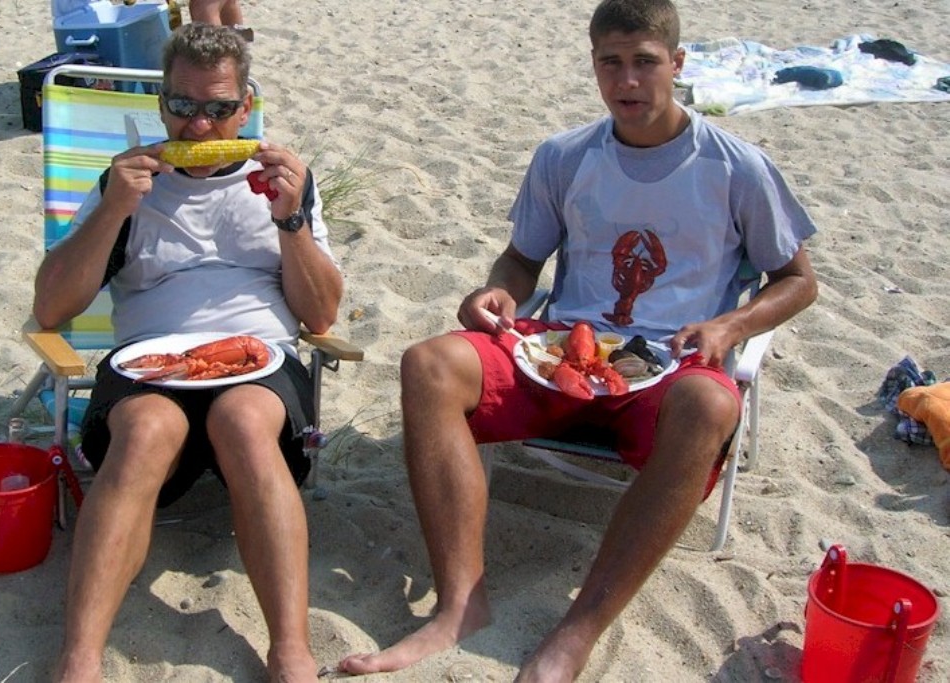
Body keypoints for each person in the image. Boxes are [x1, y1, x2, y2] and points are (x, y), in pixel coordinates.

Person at [339, 0, 818, 680]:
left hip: (669, 359)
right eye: (610, 62)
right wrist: (496, 290)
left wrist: (729, 325)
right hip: (561, 343)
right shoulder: (564, 156)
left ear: (677, 65)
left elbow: (797, 279)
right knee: (428, 362)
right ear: (593, 64)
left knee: (712, 407)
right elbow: (520, 260)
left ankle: (578, 628)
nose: (627, 81)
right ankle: (457, 604)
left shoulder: (735, 167)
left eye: (645, 63)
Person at [34, 23, 342, 683]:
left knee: (244, 420)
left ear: (245, 106)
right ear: (160, 105)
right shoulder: (126, 181)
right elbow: (51, 307)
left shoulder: (281, 180)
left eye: (218, 108)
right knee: (146, 429)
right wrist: (113, 210)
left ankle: (289, 648)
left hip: (257, 360)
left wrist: (290, 220)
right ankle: (80, 658)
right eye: (182, 106)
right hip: (149, 361)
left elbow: (319, 314)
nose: (200, 126)